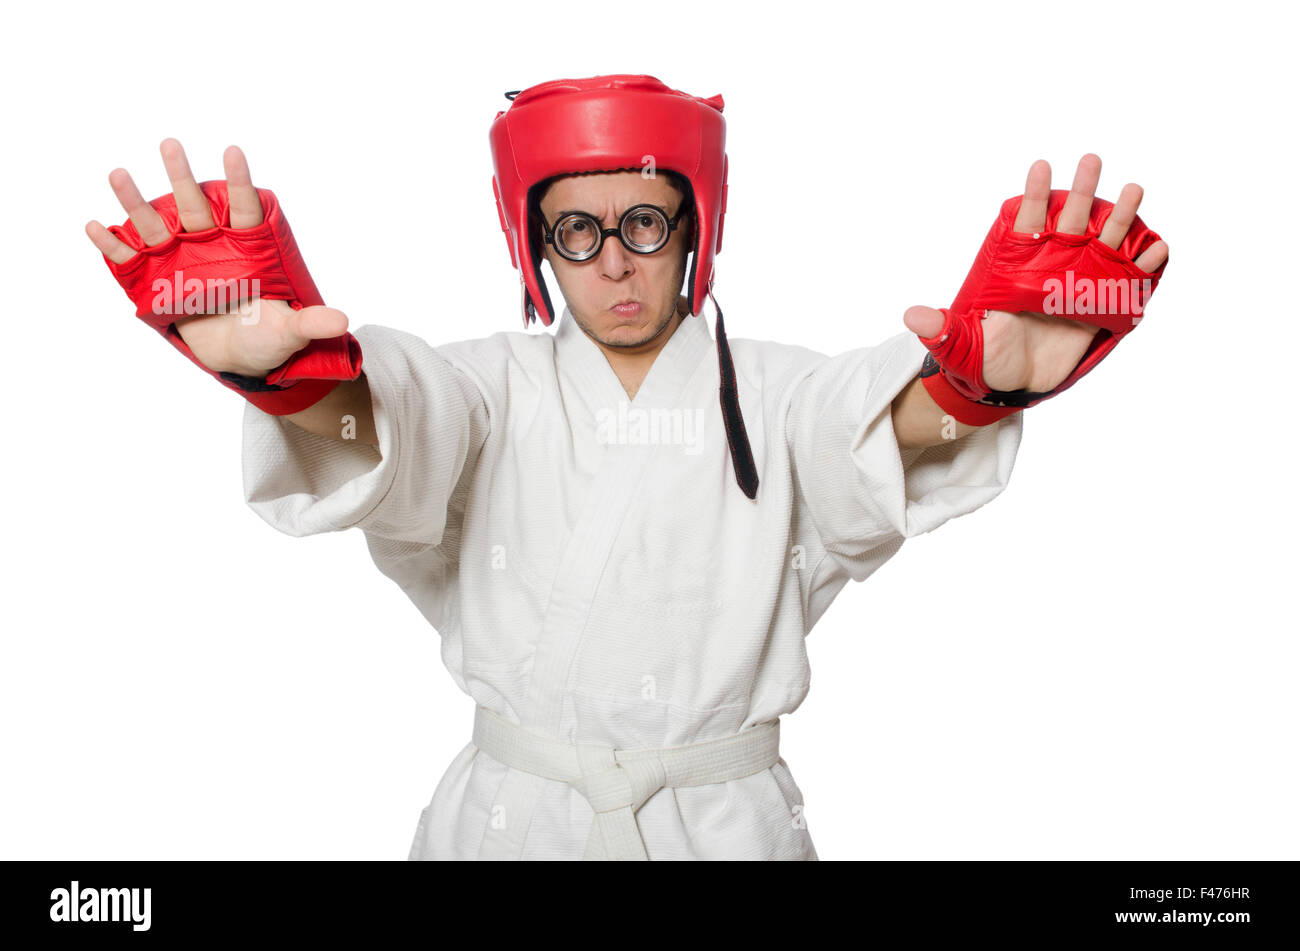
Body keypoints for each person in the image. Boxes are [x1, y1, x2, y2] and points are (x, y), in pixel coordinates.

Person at [86, 75, 1168, 861]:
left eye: (643, 222)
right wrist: (297, 380)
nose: (610, 259)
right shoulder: (486, 384)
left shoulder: (780, 389)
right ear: (534, 246)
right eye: (576, 232)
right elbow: (392, 417)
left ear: (696, 225)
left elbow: (869, 433)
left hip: (724, 830)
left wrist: (973, 389)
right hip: (512, 824)